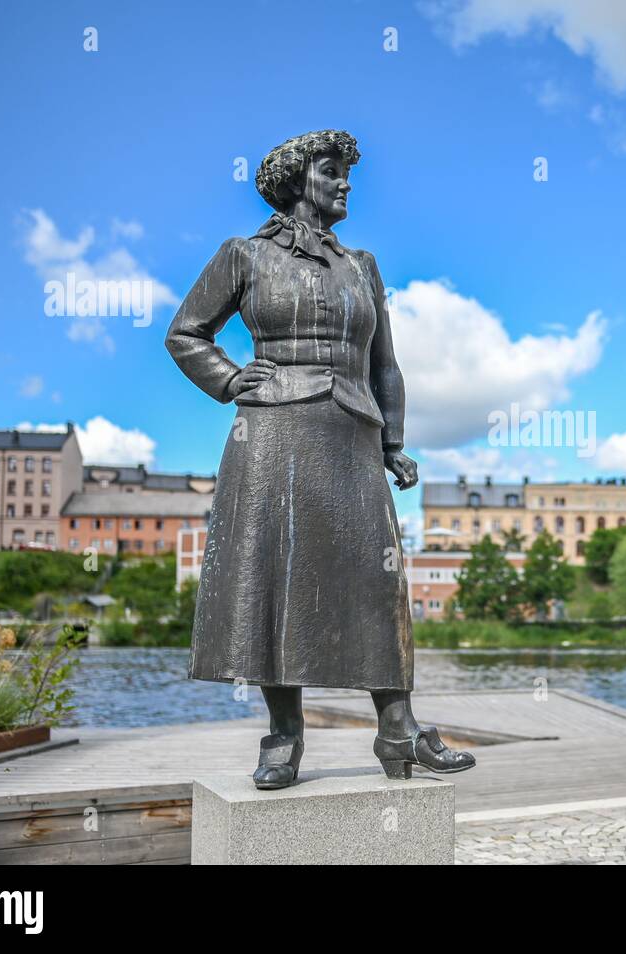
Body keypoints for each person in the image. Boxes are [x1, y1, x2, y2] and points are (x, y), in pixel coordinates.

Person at [166, 129, 475, 788]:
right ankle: (284, 735)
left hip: (353, 433)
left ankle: (398, 729)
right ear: (299, 180)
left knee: (374, 579)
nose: (346, 184)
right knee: (277, 580)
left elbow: (384, 363)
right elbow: (186, 332)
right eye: (333, 172)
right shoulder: (243, 255)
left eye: (345, 174)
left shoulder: (361, 265)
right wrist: (226, 379)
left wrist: (393, 441)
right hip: (274, 433)